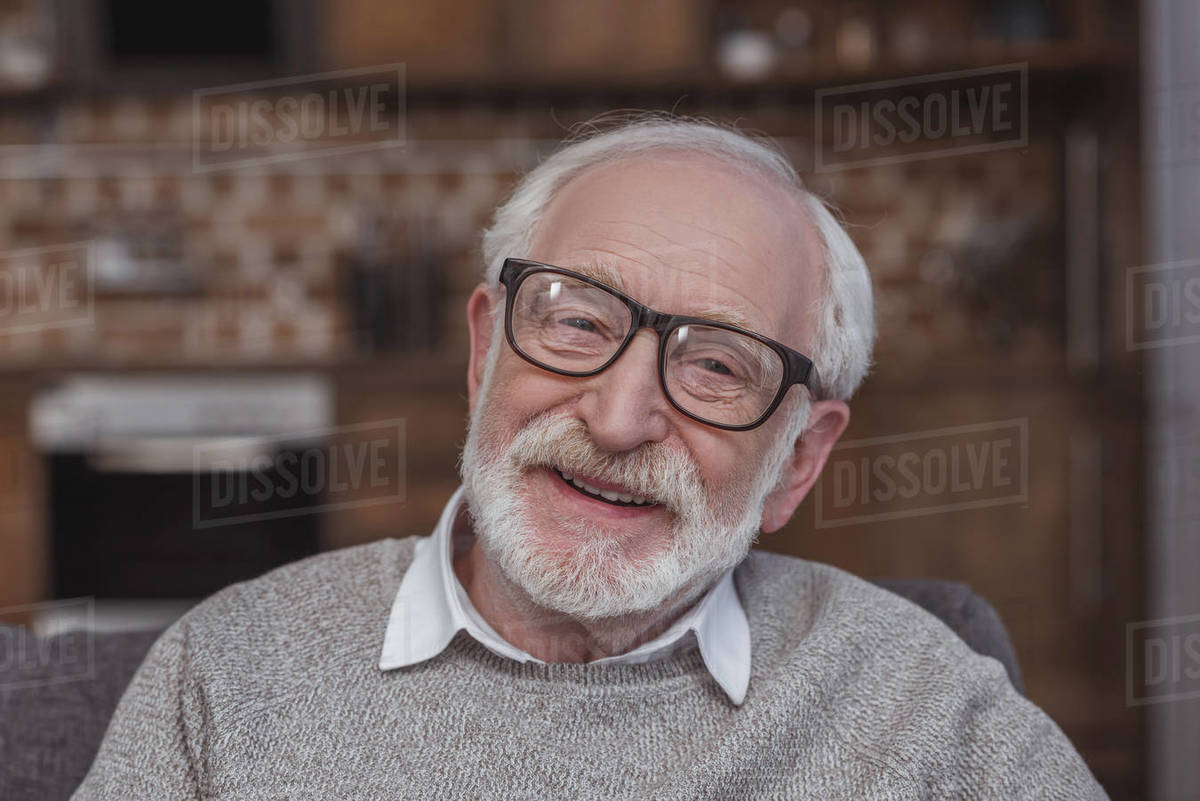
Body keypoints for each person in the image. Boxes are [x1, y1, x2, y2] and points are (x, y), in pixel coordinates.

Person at [73, 116, 1108, 799]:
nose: (618, 419)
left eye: (718, 366)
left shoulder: (922, 708)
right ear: (485, 351)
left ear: (798, 459)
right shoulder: (227, 673)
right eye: (576, 323)